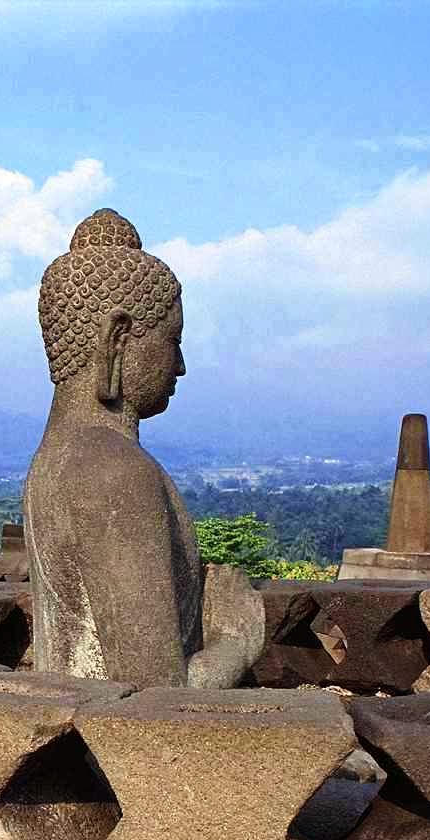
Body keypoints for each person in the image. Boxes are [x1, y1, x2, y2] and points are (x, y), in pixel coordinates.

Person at [24, 209, 255, 688]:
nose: (181, 366)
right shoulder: (115, 473)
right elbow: (154, 698)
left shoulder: (58, 459)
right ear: (118, 337)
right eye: (173, 341)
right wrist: (237, 641)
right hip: (120, 754)